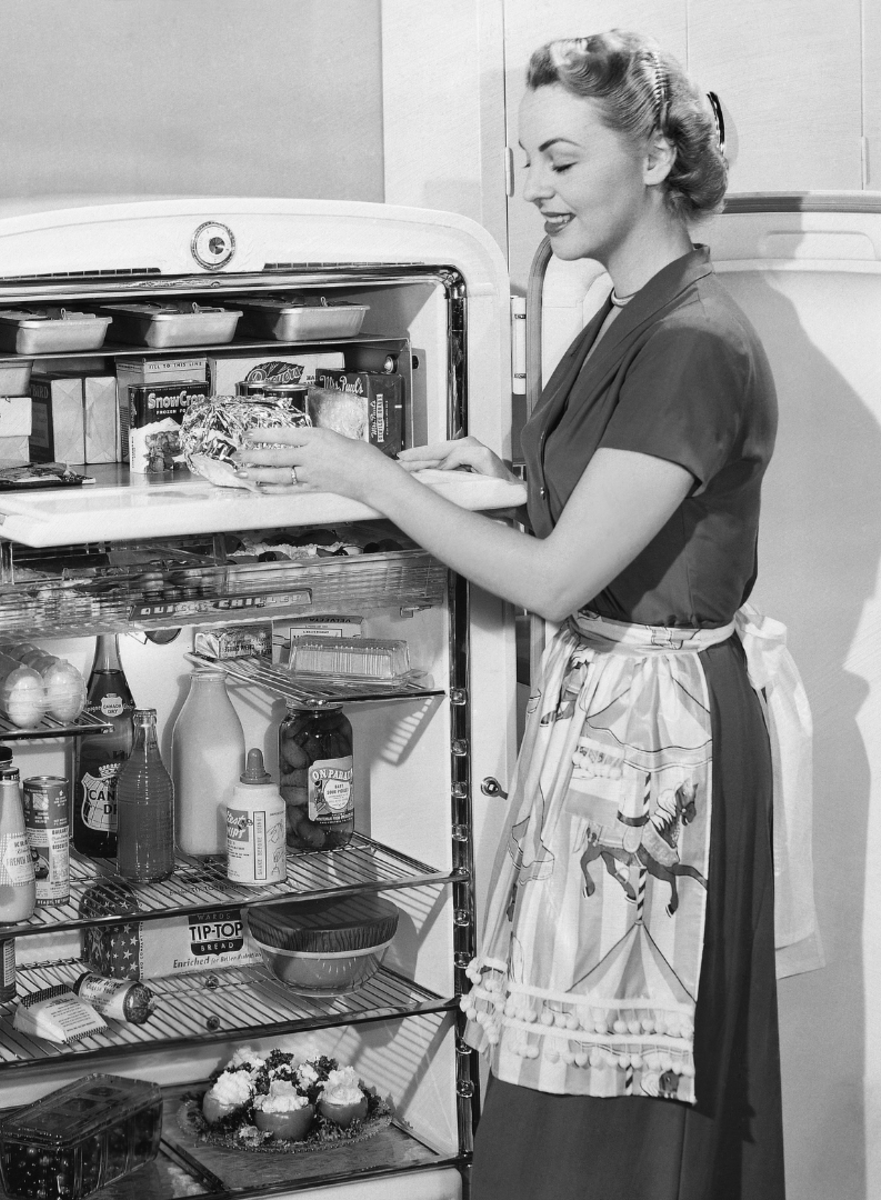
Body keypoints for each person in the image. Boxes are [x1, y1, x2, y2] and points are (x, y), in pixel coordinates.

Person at [234, 29, 790, 1200]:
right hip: (613, 720)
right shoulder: (632, 306)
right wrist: (488, 464)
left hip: (662, 740)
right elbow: (607, 496)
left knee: (630, 1083)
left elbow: (553, 578)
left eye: (558, 160)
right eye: (522, 162)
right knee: (563, 1065)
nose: (532, 189)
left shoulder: (693, 339)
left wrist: (368, 475)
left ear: (651, 158)